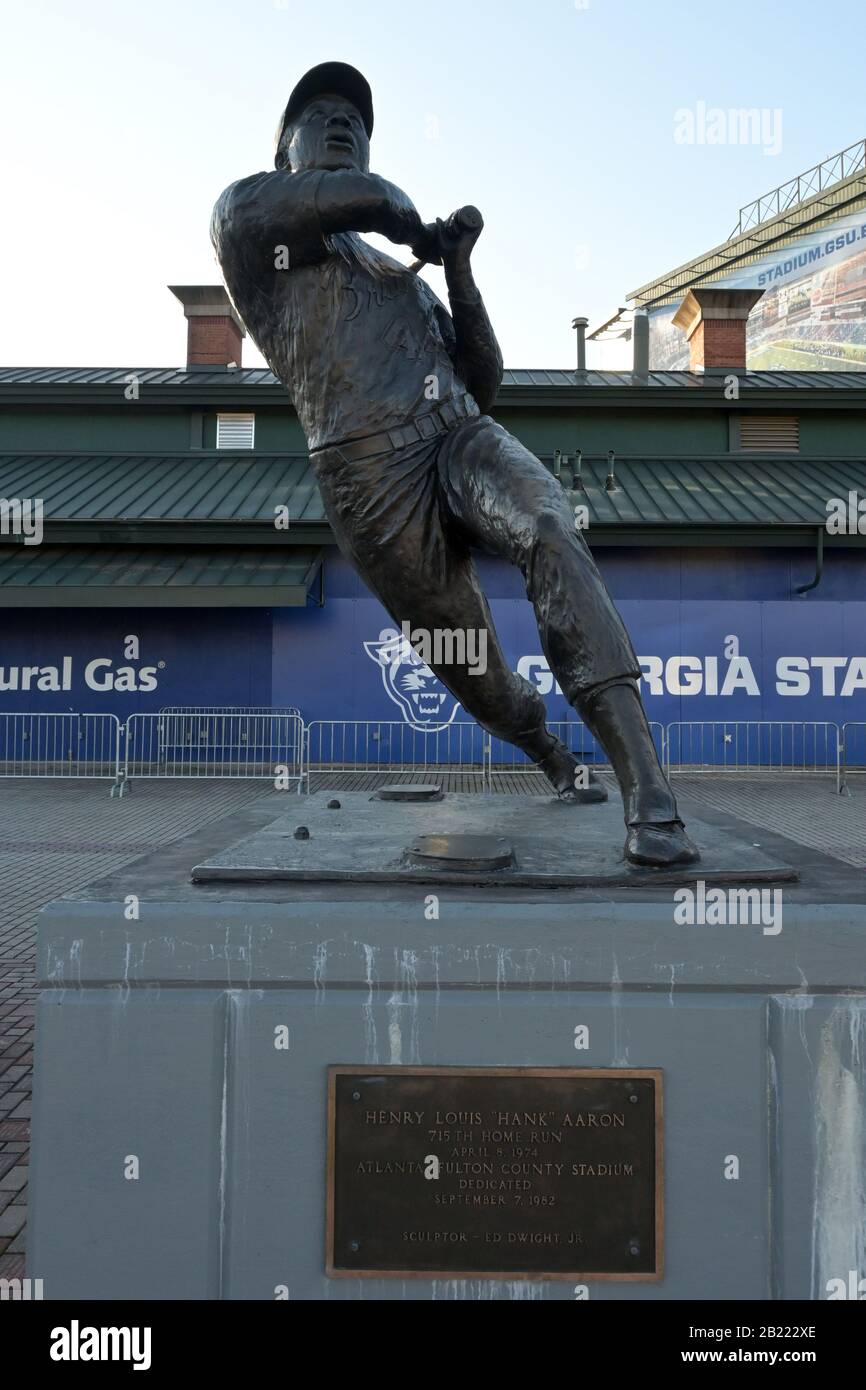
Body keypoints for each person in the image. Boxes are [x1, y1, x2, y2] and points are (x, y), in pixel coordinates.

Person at [211, 61, 698, 867]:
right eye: (319, 114)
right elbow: (368, 200)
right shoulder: (251, 221)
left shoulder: (396, 275)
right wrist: (408, 221)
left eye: (355, 119)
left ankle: (650, 789)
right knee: (485, 684)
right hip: (370, 484)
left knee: (549, 526)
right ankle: (549, 753)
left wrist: (457, 269)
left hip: (455, 435)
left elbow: (484, 381)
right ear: (283, 150)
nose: (342, 123)